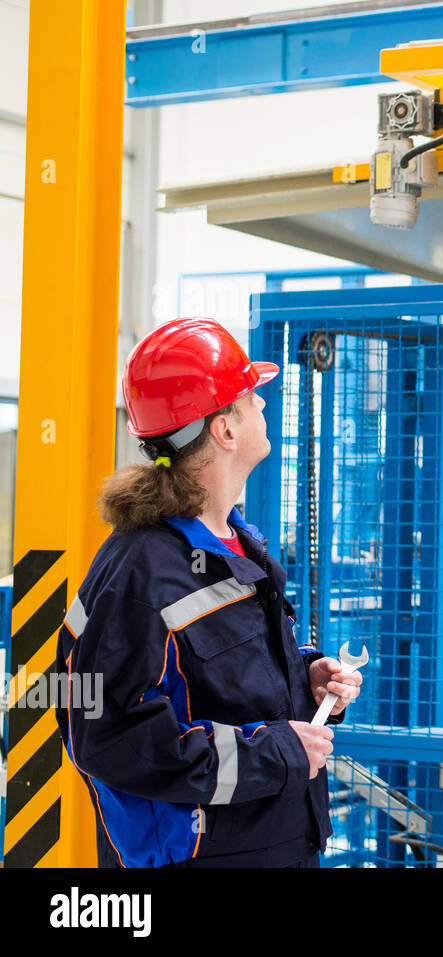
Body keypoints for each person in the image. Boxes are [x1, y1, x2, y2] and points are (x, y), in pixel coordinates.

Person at [55, 317, 362, 868]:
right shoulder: (138, 573)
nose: (264, 407)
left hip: (278, 842)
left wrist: (306, 678)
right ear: (224, 430)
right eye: (251, 398)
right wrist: (274, 754)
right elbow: (106, 735)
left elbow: (222, 684)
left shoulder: (238, 544)